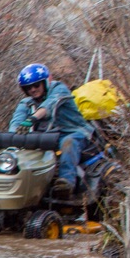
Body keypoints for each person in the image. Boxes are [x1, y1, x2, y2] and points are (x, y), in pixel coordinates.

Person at [8, 63, 95, 195]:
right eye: (28, 87)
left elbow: (48, 106)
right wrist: (12, 137)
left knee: (69, 142)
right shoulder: (26, 103)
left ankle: (66, 181)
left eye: (36, 85)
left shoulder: (59, 89)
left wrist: (32, 119)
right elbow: (16, 121)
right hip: (46, 137)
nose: (32, 90)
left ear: (44, 83)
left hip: (74, 132)